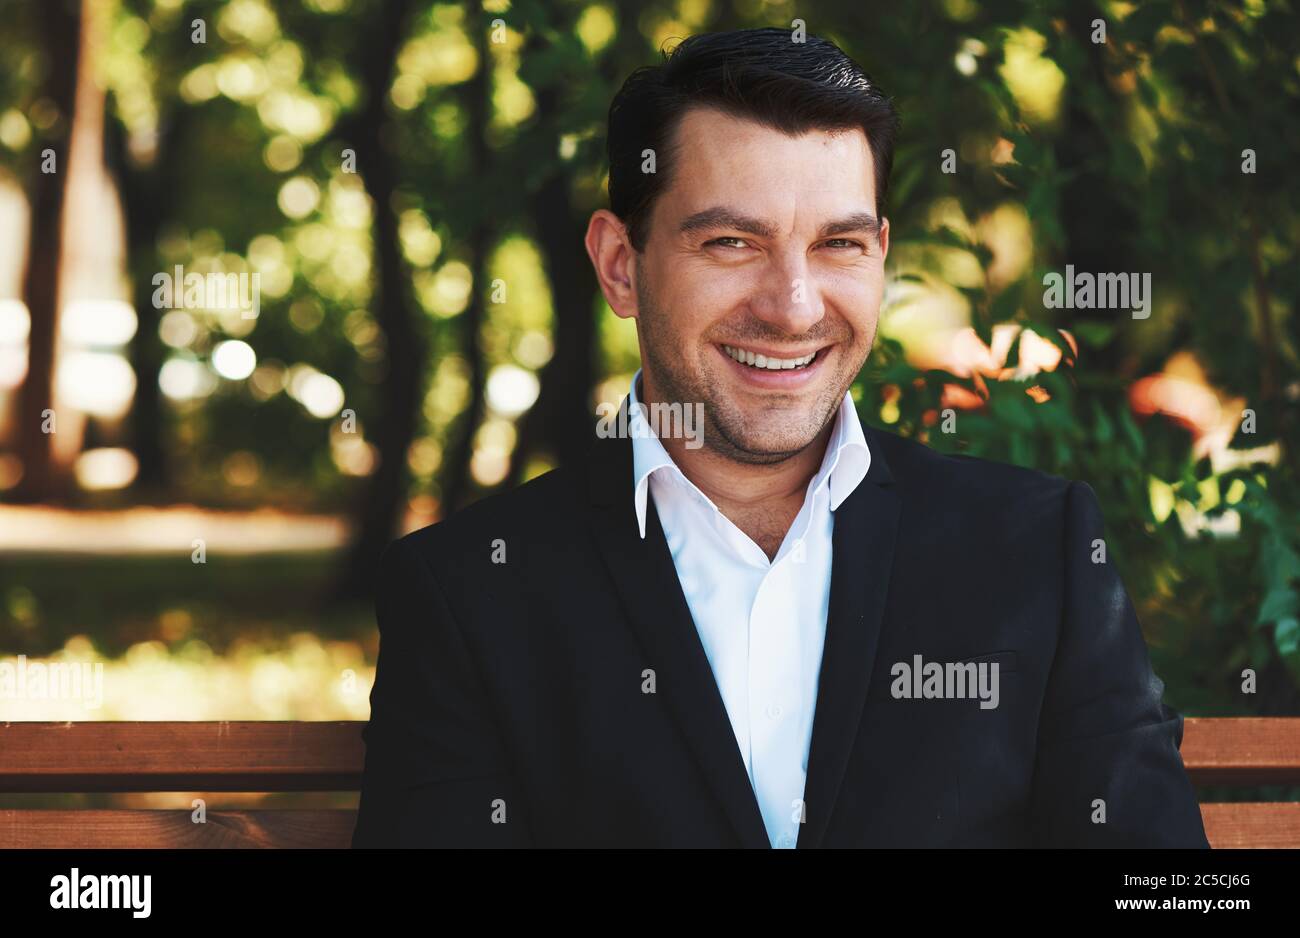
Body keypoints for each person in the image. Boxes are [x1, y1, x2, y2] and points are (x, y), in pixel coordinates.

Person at [352, 27, 1208, 848]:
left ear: (880, 256)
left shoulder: (1037, 552)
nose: (793, 305)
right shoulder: (470, 594)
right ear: (621, 265)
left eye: (838, 243)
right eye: (731, 242)